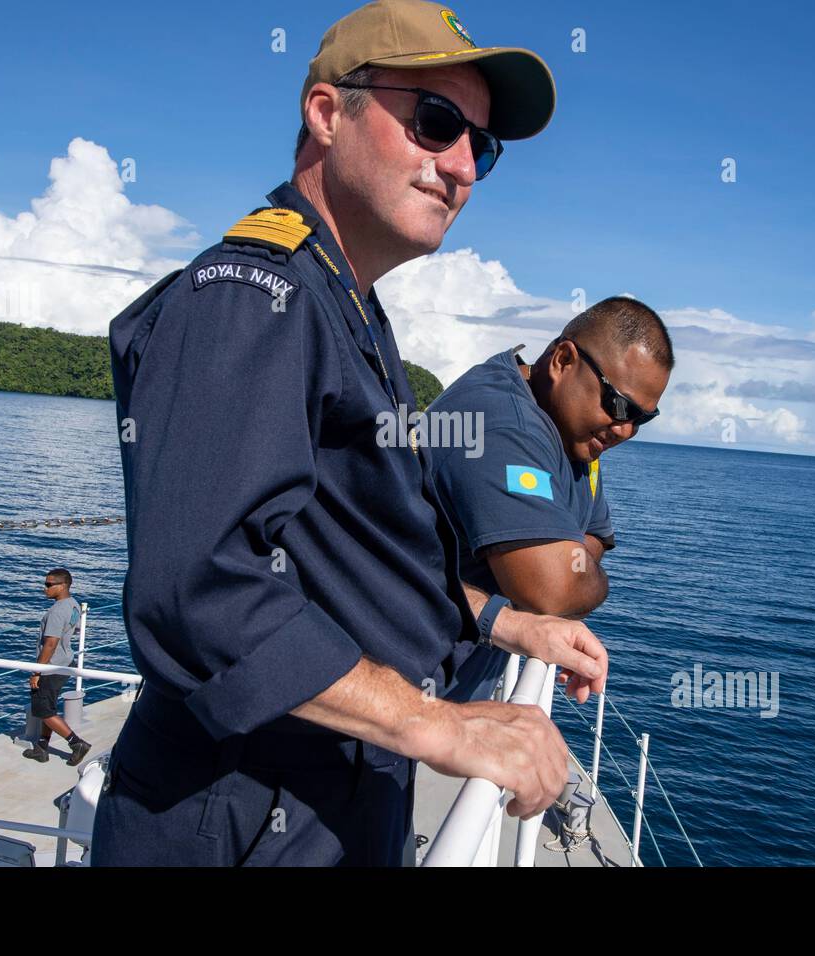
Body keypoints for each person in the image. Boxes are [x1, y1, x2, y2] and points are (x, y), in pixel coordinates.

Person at [93, 0, 609, 867]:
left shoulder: (347, 307)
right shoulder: (252, 297)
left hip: (333, 781)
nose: (461, 168)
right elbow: (194, 593)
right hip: (238, 806)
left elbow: (355, 567)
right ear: (328, 114)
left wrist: (503, 626)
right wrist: (436, 725)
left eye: (479, 146)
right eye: (436, 122)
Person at [427, 297, 674, 702]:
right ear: (562, 360)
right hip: (384, 702)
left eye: (641, 419)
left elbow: (593, 540)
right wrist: (572, 570)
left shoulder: (578, 440)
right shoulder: (500, 424)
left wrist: (569, 563)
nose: (625, 430)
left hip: (447, 704)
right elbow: (552, 590)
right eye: (619, 405)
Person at [25, 568, 92, 765]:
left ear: (62, 586)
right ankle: (42, 747)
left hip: (51, 667)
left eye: (48, 585)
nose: (44, 588)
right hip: (65, 663)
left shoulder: (56, 611)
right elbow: (73, 629)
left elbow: (51, 644)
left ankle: (76, 743)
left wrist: (37, 672)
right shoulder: (73, 605)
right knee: (50, 707)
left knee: (43, 710)